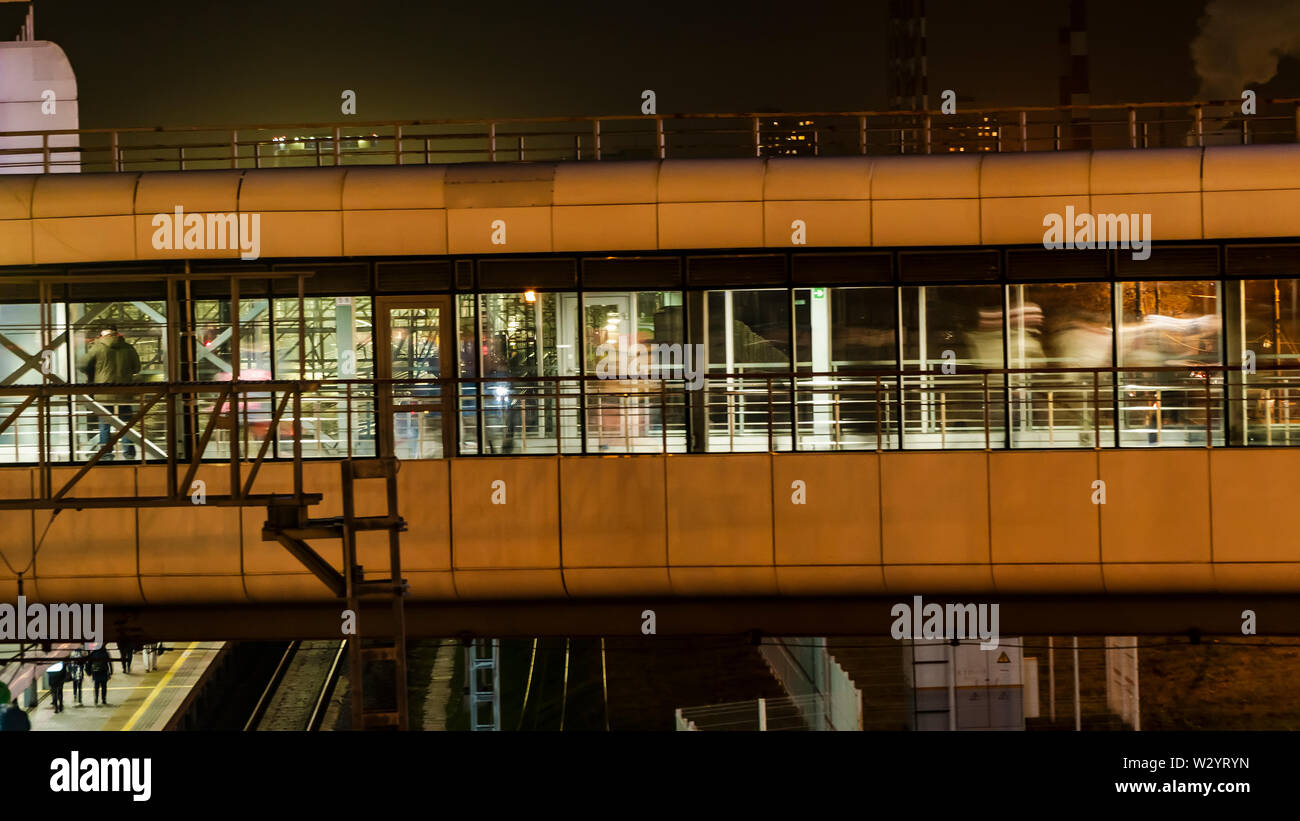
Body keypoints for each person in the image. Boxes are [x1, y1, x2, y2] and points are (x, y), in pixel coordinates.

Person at [75, 324, 142, 460]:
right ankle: (129, 453)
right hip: (125, 393)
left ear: (102, 334)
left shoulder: (97, 347)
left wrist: (94, 371)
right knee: (125, 423)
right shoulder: (129, 348)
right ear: (117, 333)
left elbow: (81, 365)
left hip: (103, 393)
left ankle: (107, 453)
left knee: (105, 424)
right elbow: (136, 368)